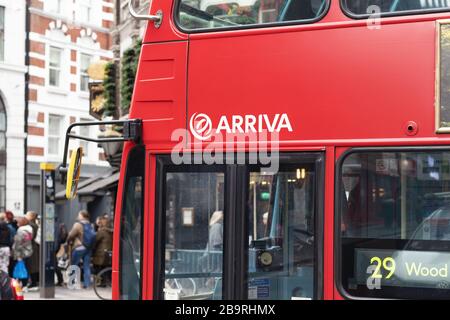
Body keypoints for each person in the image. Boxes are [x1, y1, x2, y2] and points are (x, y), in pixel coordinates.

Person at [66, 210, 96, 288]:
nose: (78, 216)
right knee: (87, 266)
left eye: (79, 215)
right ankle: (87, 284)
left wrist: (68, 241)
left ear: (82, 216)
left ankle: (72, 283)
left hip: (79, 247)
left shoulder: (78, 225)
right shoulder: (91, 225)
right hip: (88, 248)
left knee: (73, 264)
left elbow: (71, 235)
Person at [12, 217, 33, 287]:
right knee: (26, 267)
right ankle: (25, 283)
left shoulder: (21, 230)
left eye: (18, 222)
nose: (17, 224)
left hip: (21, 251)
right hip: (28, 250)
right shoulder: (30, 229)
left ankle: (21, 283)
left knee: (20, 267)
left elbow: (18, 243)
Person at [92, 216, 113, 285]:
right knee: (104, 268)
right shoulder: (110, 231)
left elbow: (95, 241)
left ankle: (100, 282)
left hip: (100, 252)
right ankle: (105, 281)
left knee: (98, 268)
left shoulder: (102, 231)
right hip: (107, 252)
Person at [25, 211, 39, 290]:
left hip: (30, 246)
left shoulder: (30, 225)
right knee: (33, 264)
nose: (25, 216)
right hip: (33, 246)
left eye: (27, 215)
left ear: (31, 216)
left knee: (31, 264)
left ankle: (33, 282)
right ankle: (34, 281)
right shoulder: (34, 225)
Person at [55, 222, 68, 286]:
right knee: (55, 264)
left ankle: (60, 280)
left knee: (54, 264)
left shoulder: (54, 226)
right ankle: (60, 280)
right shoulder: (59, 225)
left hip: (54, 246)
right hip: (57, 246)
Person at [4, 211, 17, 276]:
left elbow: (12, 239)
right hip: (12, 247)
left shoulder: (8, 227)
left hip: (9, 247)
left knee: (8, 265)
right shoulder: (14, 225)